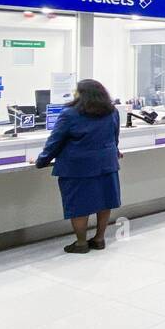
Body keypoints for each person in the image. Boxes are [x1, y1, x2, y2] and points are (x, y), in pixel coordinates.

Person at [34, 79, 121, 254]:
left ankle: (81, 243)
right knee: (105, 201)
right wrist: (114, 152)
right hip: (106, 164)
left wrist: (41, 161)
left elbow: (55, 141)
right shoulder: (112, 112)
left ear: (81, 94)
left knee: (79, 204)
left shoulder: (70, 114)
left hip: (78, 167)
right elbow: (114, 137)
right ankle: (99, 239)